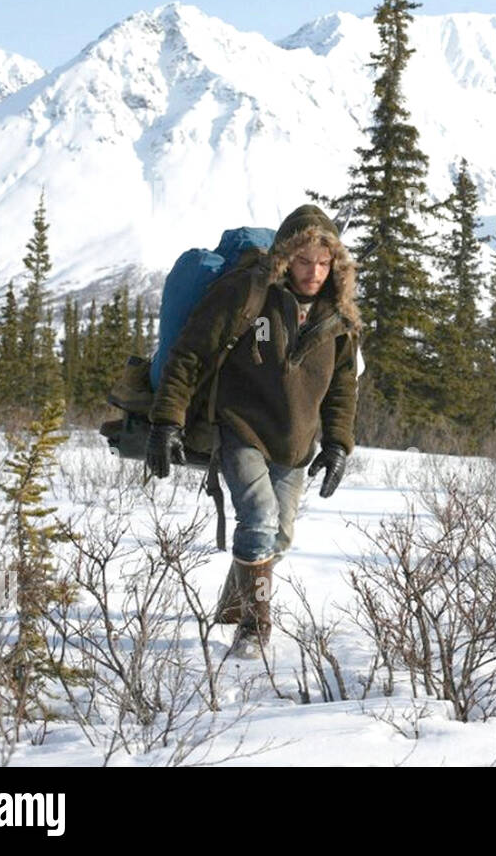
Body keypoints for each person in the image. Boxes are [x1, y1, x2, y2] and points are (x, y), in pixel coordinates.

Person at [144, 204, 362, 658]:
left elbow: (343, 387)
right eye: (304, 261)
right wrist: (167, 419)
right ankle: (254, 627)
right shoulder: (250, 293)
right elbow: (189, 354)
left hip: (295, 442)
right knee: (259, 519)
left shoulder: (338, 316)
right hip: (240, 427)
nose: (314, 272)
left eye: (324, 263)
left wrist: (338, 443)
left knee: (279, 537)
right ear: (286, 256)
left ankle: (233, 603)